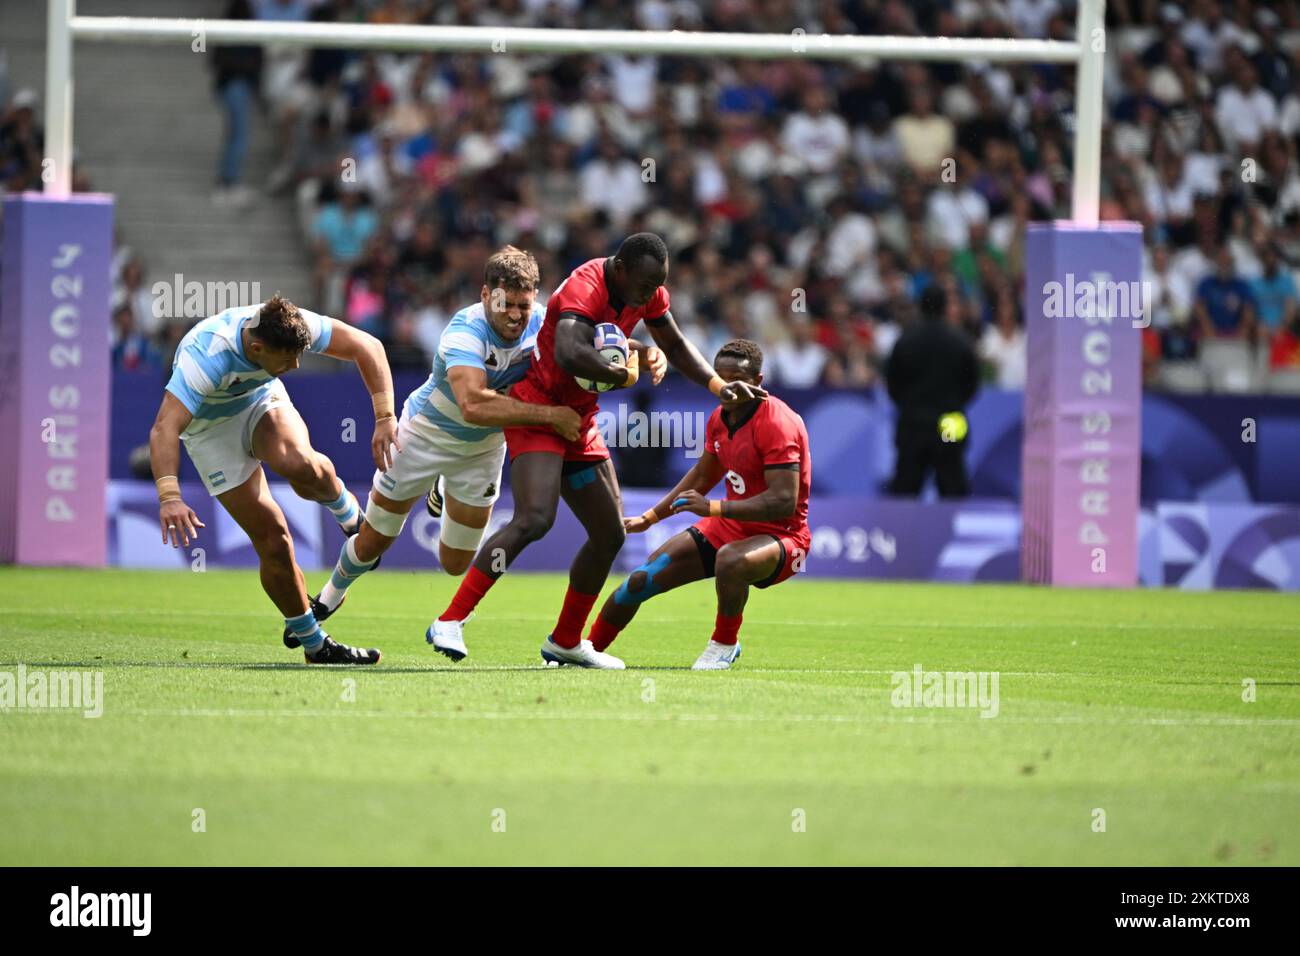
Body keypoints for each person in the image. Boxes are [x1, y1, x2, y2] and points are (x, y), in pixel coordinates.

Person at [429, 233, 767, 668]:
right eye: (644, 286)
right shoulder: (584, 286)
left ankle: (566, 641)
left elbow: (676, 344)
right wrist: (624, 374)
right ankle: (451, 619)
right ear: (620, 270)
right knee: (535, 519)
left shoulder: (647, 291)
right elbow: (569, 353)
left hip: (581, 418)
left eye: (656, 287)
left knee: (610, 533)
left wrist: (718, 388)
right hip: (539, 407)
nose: (649, 296)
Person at [296, 246, 605, 656]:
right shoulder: (465, 331)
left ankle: (440, 491)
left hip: (482, 451)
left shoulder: (545, 324)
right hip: (423, 437)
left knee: (455, 563)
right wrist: (550, 415)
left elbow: (592, 344)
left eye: (523, 305)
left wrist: (640, 352)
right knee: (373, 541)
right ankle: (329, 596)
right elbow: (473, 406)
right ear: (485, 296)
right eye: (506, 304)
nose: (515, 315)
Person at [149, 295, 395, 664]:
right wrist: (169, 496)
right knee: (274, 539)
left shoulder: (289, 322)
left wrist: (385, 416)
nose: (295, 366)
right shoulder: (207, 358)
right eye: (288, 359)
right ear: (258, 347)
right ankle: (316, 646)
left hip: (258, 399)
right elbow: (164, 427)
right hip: (209, 431)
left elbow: (368, 346)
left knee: (300, 463)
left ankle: (351, 519)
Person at [587, 339, 810, 669]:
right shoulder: (720, 417)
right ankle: (587, 650)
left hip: (783, 538)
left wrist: (714, 508)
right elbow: (703, 474)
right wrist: (649, 518)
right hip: (729, 527)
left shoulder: (778, 423)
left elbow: (782, 502)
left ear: (758, 382)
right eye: (721, 378)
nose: (728, 388)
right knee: (639, 581)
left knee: (730, 560)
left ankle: (724, 643)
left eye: (737, 379)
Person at [885, 283, 979, 497]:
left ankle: (902, 531)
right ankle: (952, 530)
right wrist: (954, 403)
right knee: (952, 484)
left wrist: (910, 405)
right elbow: (972, 384)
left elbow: (892, 383)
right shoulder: (960, 341)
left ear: (920, 307)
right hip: (950, 421)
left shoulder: (905, 340)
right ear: (945, 307)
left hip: (913, 422)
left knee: (906, 488)